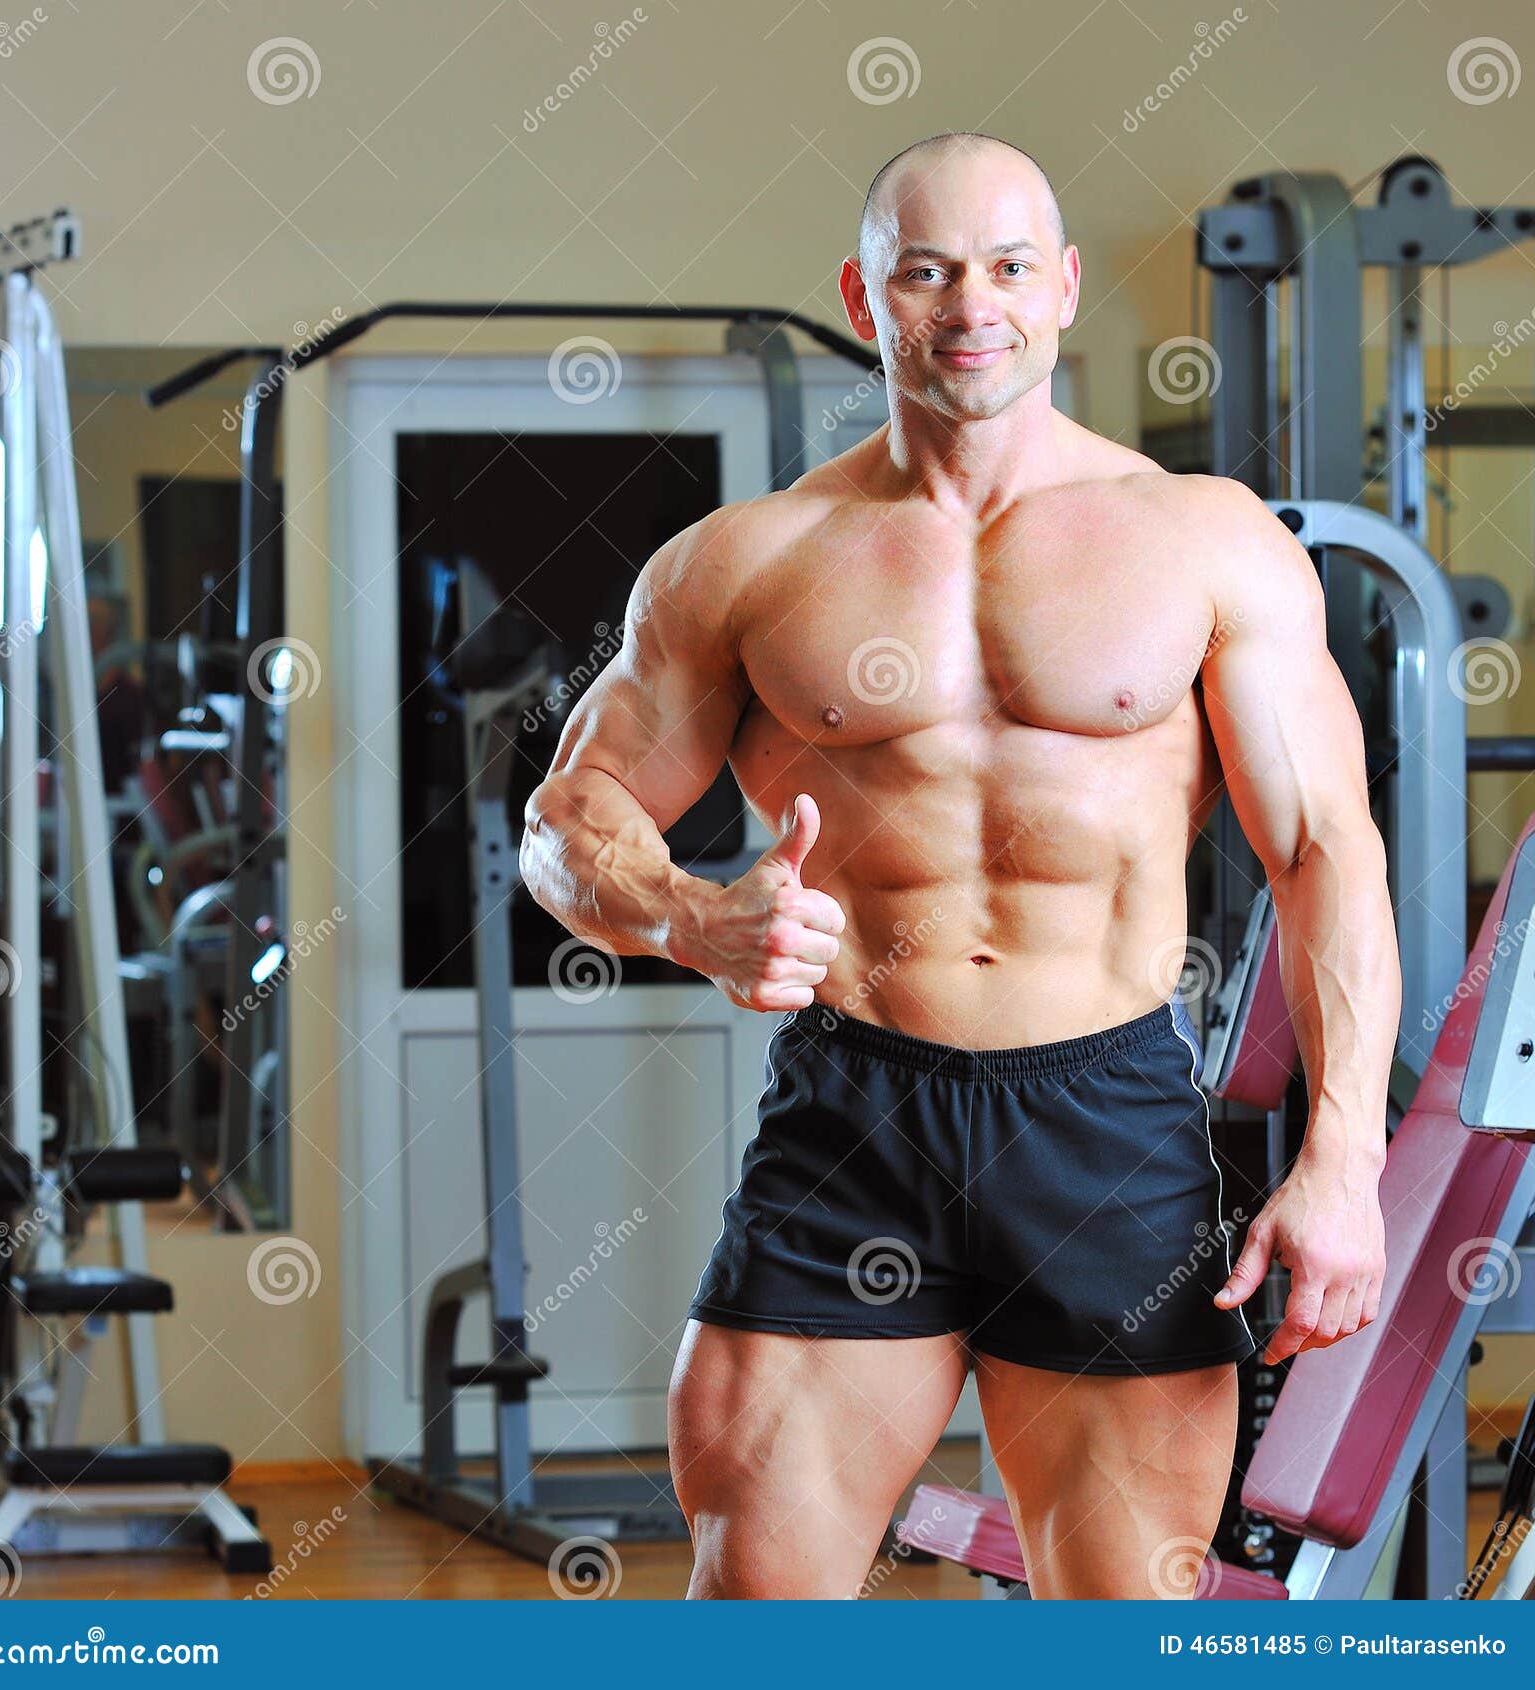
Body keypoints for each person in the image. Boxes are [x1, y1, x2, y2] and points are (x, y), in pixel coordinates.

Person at [519, 132, 1397, 1600]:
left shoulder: (1205, 541)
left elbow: (1323, 850)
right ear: (864, 297)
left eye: (1005, 266)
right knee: (753, 1612)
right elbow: (567, 817)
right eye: (925, 271)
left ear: (1063, 288)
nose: (970, 304)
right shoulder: (744, 561)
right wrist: (690, 916)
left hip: (1105, 1118)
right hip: (852, 1118)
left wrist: (1346, 1162)